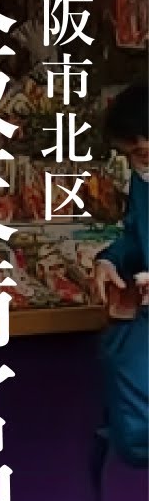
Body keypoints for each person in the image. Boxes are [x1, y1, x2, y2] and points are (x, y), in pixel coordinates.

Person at [92, 81, 148, 468]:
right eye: (130, 155)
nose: (139, 163)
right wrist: (110, 260)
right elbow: (135, 232)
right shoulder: (144, 182)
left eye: (142, 151)